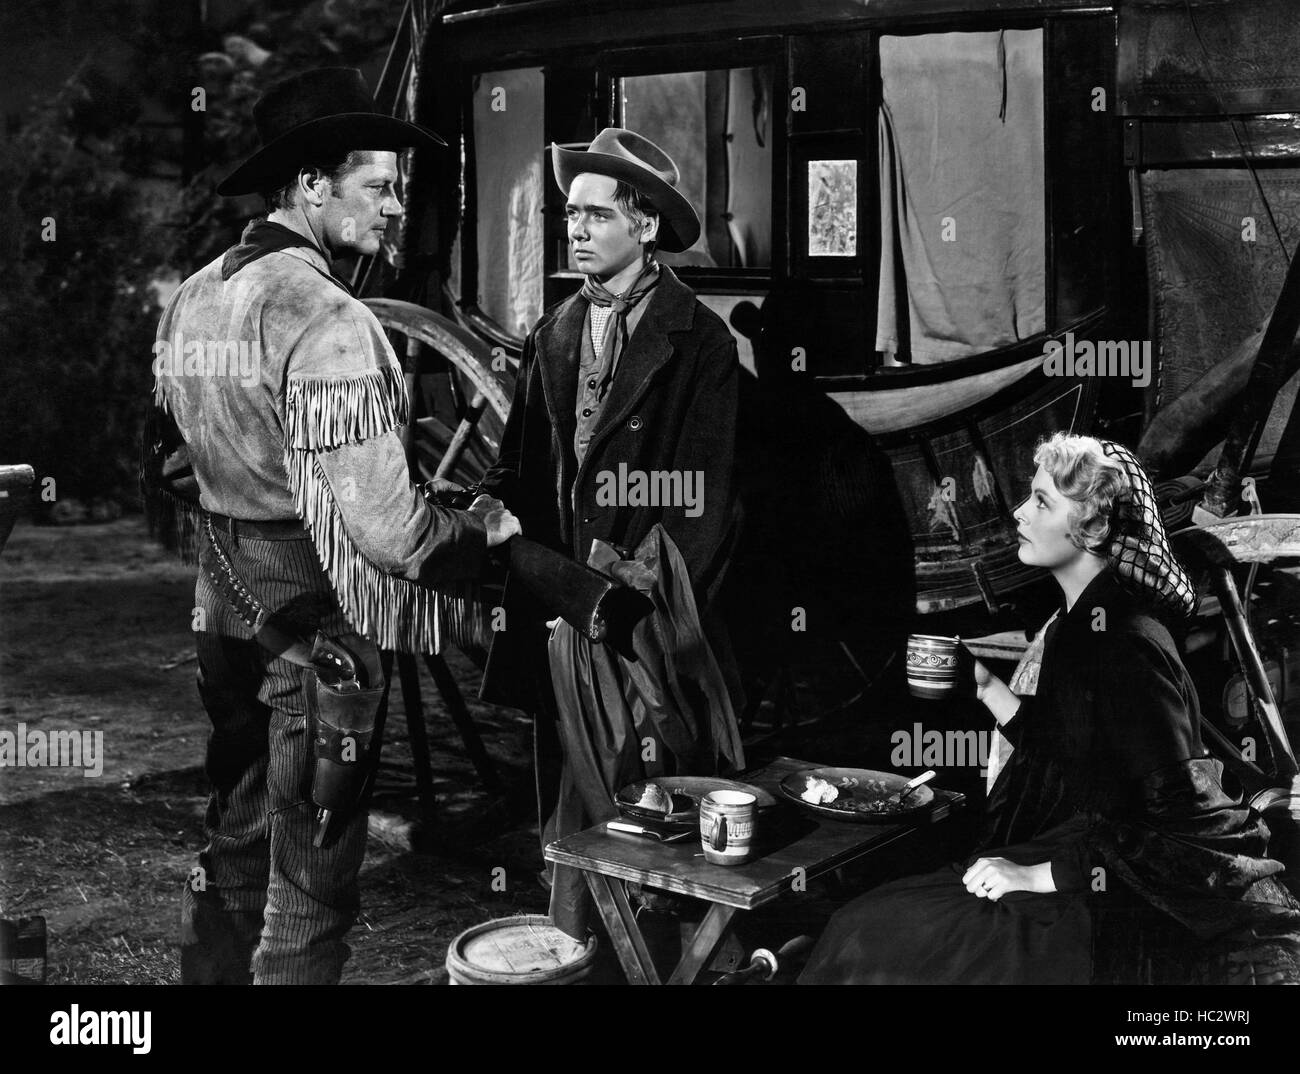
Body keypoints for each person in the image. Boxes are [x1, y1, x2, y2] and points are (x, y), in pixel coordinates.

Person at [146, 67, 519, 984]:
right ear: (312, 185)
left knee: (236, 834)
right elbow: (392, 535)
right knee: (314, 870)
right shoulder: (330, 318)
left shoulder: (195, 295)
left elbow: (172, 465)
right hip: (316, 612)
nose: (395, 208)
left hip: (223, 604)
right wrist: (486, 540)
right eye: (378, 187)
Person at [799, 432, 1300, 984]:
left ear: (1095, 527)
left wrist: (1040, 876)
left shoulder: (1124, 640)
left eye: (1041, 501)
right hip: (1095, 851)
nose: (1018, 512)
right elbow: (1081, 753)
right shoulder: (1082, 620)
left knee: (881, 932)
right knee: (876, 921)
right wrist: (990, 688)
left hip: (1133, 893)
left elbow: (1180, 816)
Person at [475, 128, 744, 936]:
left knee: (649, 801)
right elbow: (519, 464)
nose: (577, 231)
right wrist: (484, 514)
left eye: (595, 216)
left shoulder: (700, 342)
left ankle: (660, 949)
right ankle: (577, 948)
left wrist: (635, 601)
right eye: (570, 216)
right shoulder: (553, 332)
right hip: (560, 607)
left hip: (642, 622)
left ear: (647, 225)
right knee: (571, 801)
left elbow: (704, 502)